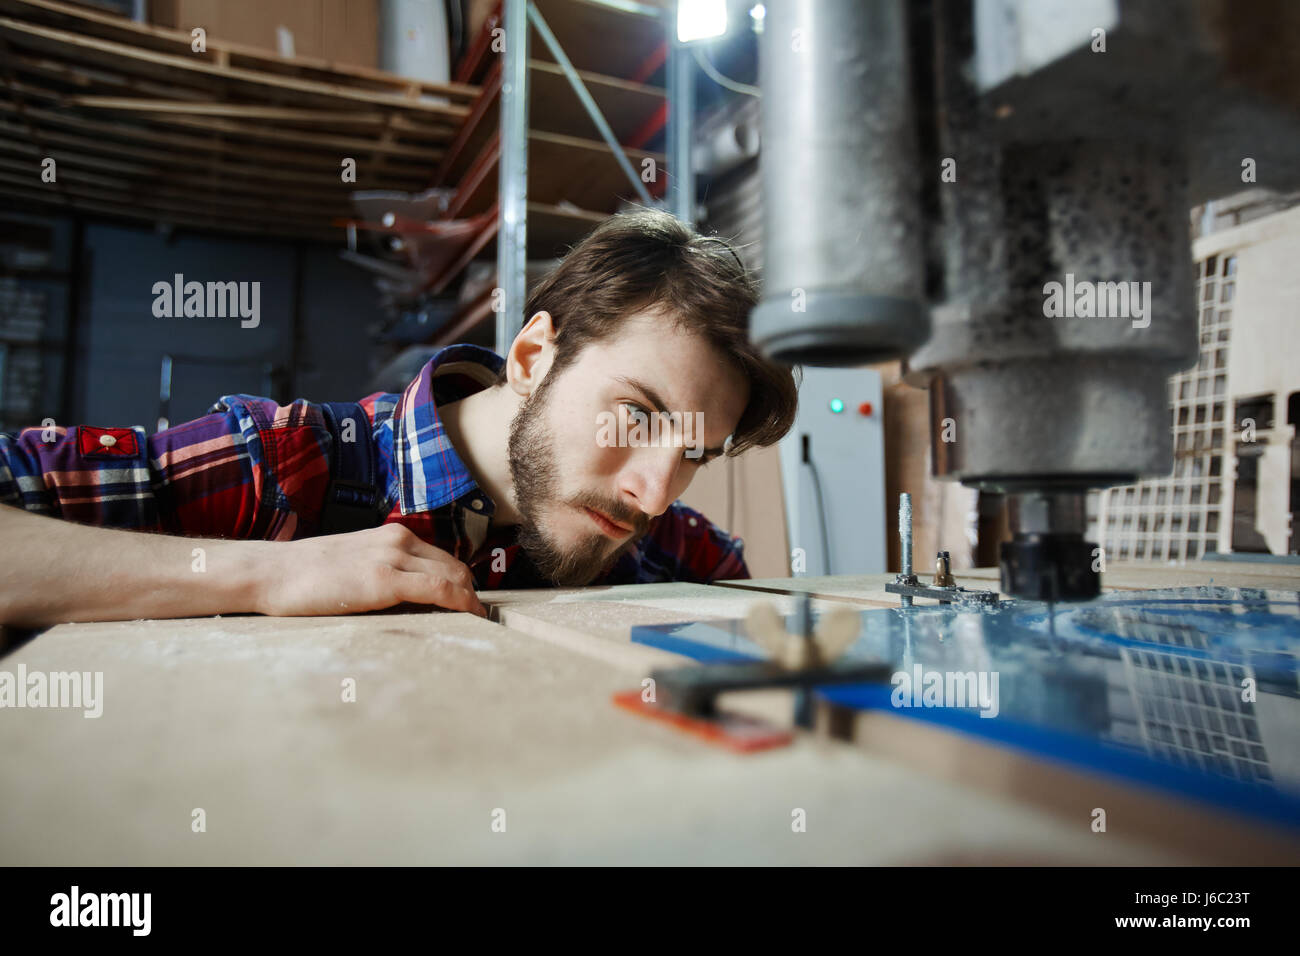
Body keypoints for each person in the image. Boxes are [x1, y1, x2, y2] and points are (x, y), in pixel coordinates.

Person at [0, 209, 798, 627]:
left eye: (694, 450)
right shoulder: (286, 463)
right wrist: (267, 575)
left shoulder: (673, 546)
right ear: (530, 360)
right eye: (635, 417)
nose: (656, 494)